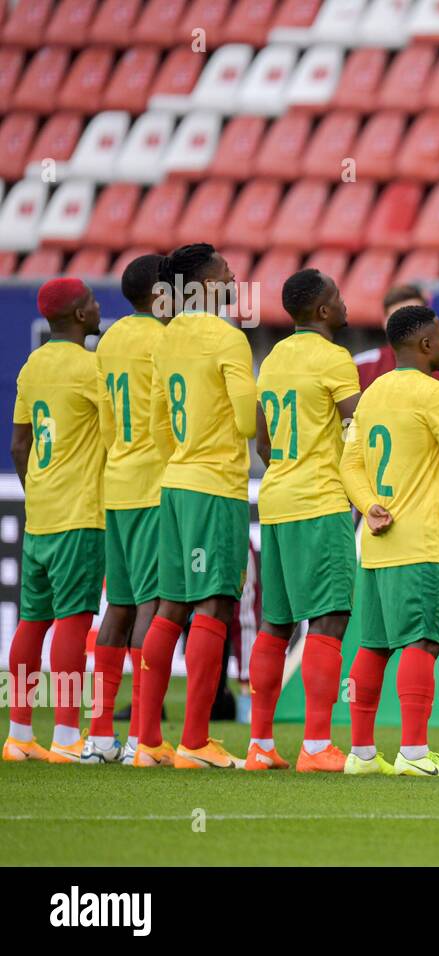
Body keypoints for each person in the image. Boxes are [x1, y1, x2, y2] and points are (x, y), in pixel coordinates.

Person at [134, 243, 255, 770]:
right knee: (213, 606)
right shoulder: (227, 337)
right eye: (226, 271)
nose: (233, 277)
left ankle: (147, 740)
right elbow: (249, 422)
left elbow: (159, 418)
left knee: (170, 606)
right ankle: (195, 742)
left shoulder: (167, 339)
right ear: (206, 283)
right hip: (213, 488)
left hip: (175, 484)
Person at [339, 305, 439, 778]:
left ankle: (361, 753)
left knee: (373, 645)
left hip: (376, 542)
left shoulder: (372, 393)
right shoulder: (436, 394)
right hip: (421, 543)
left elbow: (349, 463)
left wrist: (369, 502)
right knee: (421, 642)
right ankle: (414, 754)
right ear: (422, 345)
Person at [245, 269, 360, 773]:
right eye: (336, 297)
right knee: (330, 618)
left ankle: (260, 743)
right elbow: (362, 423)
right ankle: (316, 745)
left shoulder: (272, 360)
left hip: (276, 500)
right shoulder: (334, 359)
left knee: (276, 623)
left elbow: (263, 443)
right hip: (320, 502)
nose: (344, 304)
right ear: (321, 310)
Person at [3, 278, 106, 763]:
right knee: (73, 620)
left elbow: (19, 445)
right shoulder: (91, 369)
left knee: (31, 621)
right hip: (81, 513)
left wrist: (37, 490)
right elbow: (117, 432)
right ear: (81, 316)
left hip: (40, 514)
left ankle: (19, 734)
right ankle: (67, 736)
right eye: (91, 301)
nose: (98, 304)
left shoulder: (32, 366)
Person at [86, 255, 167, 765]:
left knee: (119, 603)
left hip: (116, 480)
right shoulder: (166, 340)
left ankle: (99, 736)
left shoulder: (109, 340)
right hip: (155, 483)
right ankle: (142, 737)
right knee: (152, 605)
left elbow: (107, 419)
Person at [354, 284, 439, 405]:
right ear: (384, 322)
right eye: (398, 319)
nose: (408, 327)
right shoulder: (360, 367)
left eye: (416, 319)